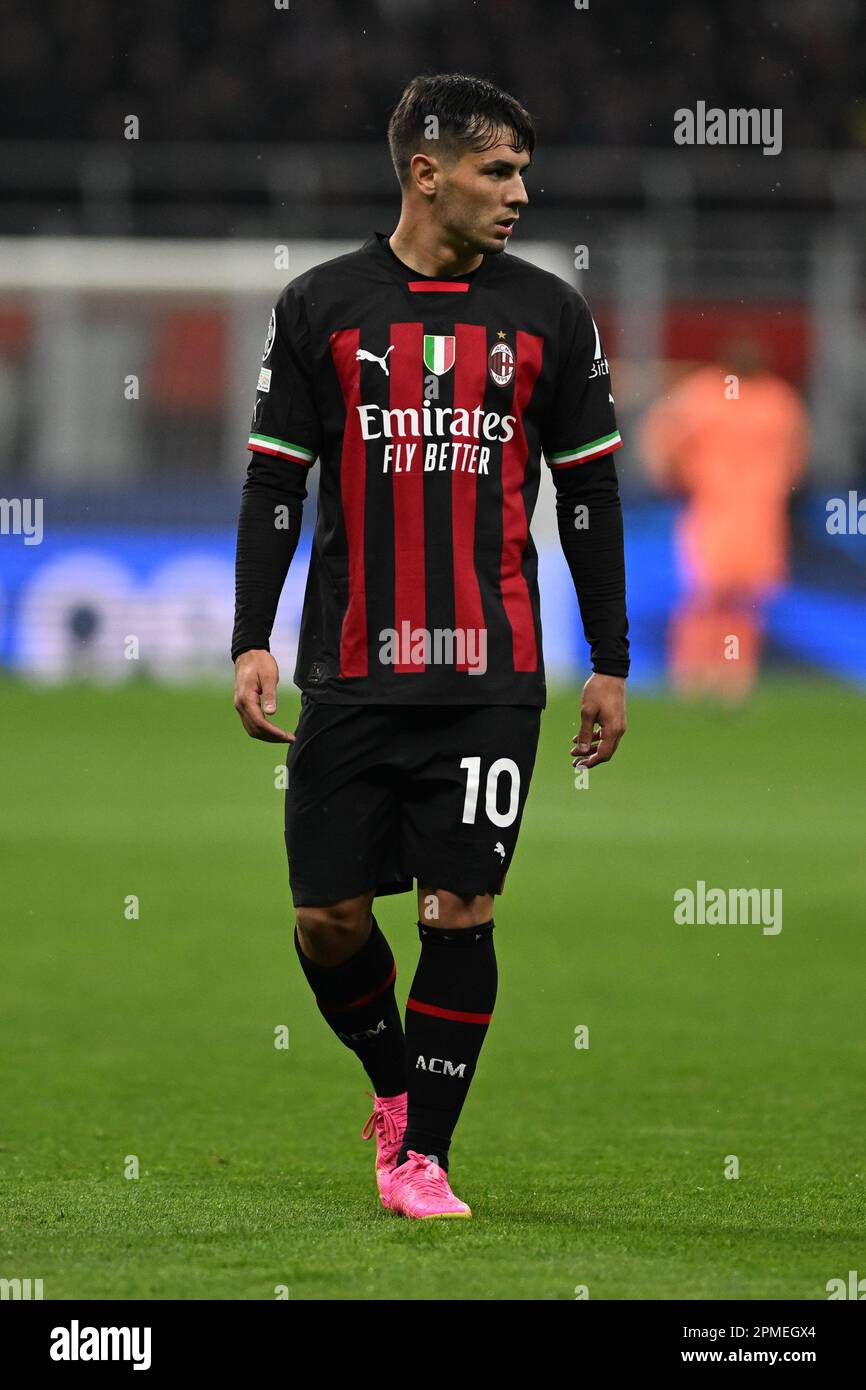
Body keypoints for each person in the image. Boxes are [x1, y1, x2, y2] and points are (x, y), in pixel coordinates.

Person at [231, 73, 629, 1220]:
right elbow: (274, 481)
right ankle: (393, 1090)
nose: (518, 191)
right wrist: (251, 637)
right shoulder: (320, 307)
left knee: (459, 910)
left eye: (520, 171)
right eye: (496, 170)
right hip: (350, 668)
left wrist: (608, 657)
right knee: (328, 918)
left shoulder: (549, 314)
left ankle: (424, 1157)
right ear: (426, 172)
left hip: (492, 672)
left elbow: (589, 493)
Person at [640, 339, 808, 699]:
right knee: (705, 596)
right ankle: (692, 674)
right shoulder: (704, 393)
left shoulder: (777, 400)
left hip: (759, 515)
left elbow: (795, 456)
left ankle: (734, 678)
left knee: (747, 600)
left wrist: (777, 486)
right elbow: (660, 433)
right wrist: (672, 477)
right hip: (713, 509)